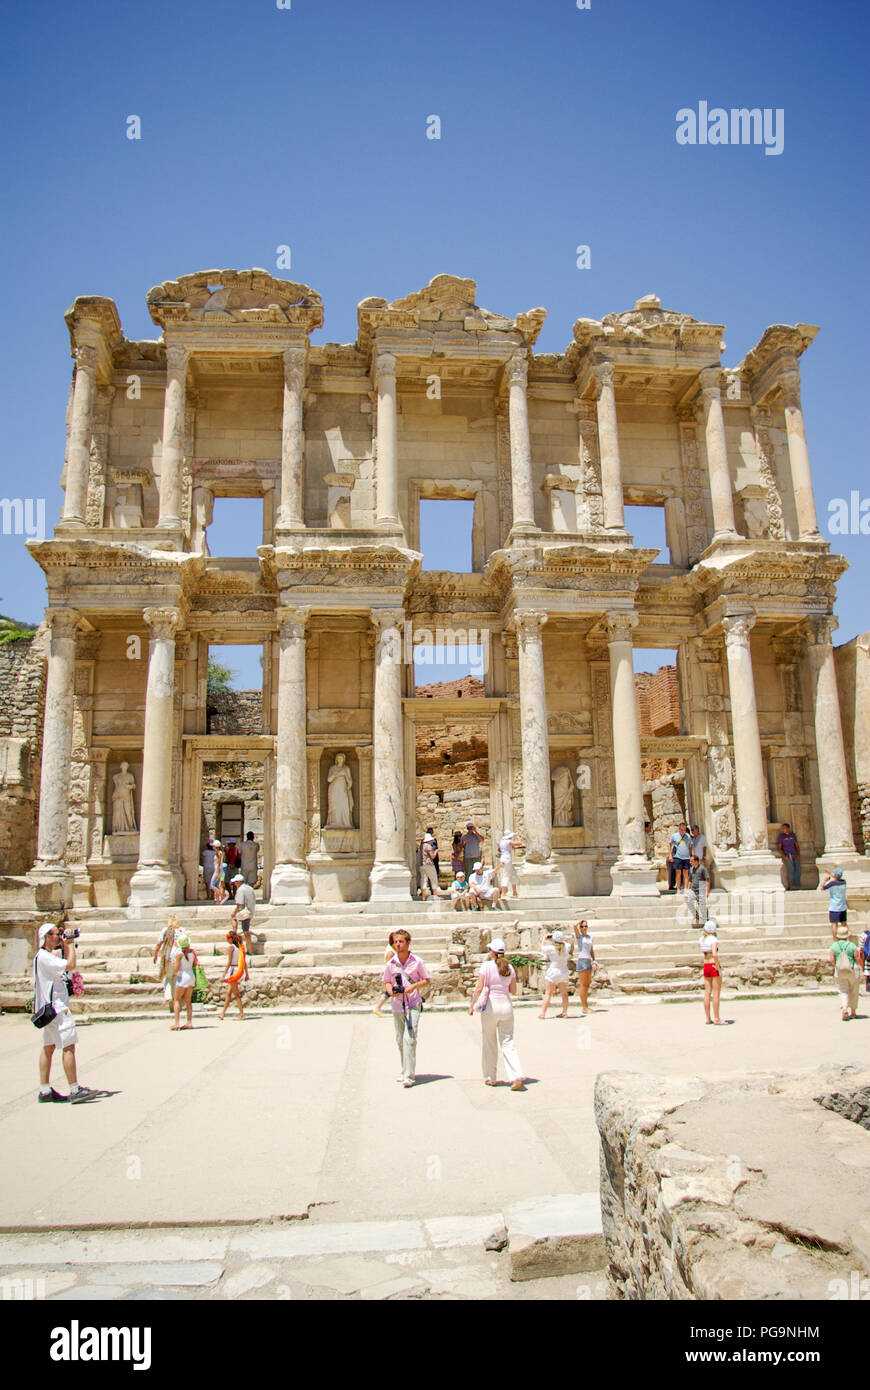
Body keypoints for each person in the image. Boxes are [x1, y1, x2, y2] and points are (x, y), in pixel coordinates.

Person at [33, 923, 95, 1104]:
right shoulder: (45, 957)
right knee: (68, 1046)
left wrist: (67, 946)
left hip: (49, 1008)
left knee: (49, 1046)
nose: (58, 936)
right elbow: (71, 964)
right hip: (58, 1008)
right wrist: (69, 943)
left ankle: (45, 1090)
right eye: (55, 933)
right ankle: (74, 1089)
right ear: (47, 937)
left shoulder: (44, 957)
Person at [469, 936, 525, 1090]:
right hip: (506, 1006)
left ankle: (490, 1077)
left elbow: (479, 988)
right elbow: (513, 991)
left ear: (491, 952)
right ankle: (516, 1075)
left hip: (491, 1006)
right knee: (508, 1042)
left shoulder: (486, 966)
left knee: (489, 1042)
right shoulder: (510, 968)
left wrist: (472, 1005)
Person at [382, 929, 429, 1087]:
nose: (398, 944)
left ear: (408, 943)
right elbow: (387, 981)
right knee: (400, 1039)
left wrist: (413, 986)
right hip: (397, 1005)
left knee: (409, 1038)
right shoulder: (391, 963)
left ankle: (409, 1075)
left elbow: (426, 979)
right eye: (396, 942)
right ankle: (405, 1070)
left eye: (401, 942)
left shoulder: (417, 961)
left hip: (413, 1003)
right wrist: (390, 992)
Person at [153, 914, 186, 1012]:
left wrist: (155, 955)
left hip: (168, 957)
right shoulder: (182, 930)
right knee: (176, 978)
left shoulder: (165, 930)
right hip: (179, 957)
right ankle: (177, 1000)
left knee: (168, 977)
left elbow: (159, 944)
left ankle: (169, 997)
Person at [830, 922, 862, 1021]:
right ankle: (853, 1011)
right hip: (852, 970)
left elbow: (832, 959)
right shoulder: (852, 945)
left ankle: (844, 1008)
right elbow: (857, 957)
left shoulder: (834, 946)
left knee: (843, 991)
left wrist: (837, 966)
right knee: (854, 990)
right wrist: (862, 967)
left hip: (840, 971)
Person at [539, 929, 570, 1019]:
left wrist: (544, 938)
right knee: (564, 994)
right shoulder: (566, 947)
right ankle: (565, 1012)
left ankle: (543, 1013)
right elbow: (566, 943)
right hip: (563, 971)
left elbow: (541, 947)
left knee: (548, 993)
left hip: (553, 971)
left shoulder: (551, 948)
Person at [218, 930, 248, 1021]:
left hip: (233, 970)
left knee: (236, 994)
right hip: (238, 969)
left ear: (230, 939)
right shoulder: (240, 947)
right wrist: (247, 973)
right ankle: (222, 1013)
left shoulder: (231, 948)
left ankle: (242, 1014)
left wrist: (223, 975)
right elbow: (244, 961)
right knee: (228, 993)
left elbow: (229, 962)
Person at [170, 935, 197, 1031]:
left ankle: (176, 1023)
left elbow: (176, 969)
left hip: (182, 977)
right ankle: (189, 1022)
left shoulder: (179, 955)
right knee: (188, 1000)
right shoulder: (192, 953)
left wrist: (174, 965)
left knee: (176, 1000)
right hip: (191, 976)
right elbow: (194, 964)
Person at [699, 919, 723, 1025]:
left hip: (706, 964)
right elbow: (715, 953)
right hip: (713, 964)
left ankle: (708, 1018)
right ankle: (717, 1018)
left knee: (707, 993)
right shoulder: (713, 939)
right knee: (716, 993)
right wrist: (718, 966)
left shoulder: (702, 939)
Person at [571, 919, 596, 1015]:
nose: (584, 928)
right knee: (583, 985)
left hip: (588, 960)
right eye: (582, 926)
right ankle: (584, 1007)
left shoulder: (590, 937)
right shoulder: (579, 937)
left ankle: (586, 1006)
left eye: (585, 926)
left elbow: (591, 950)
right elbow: (574, 926)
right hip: (582, 960)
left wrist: (594, 961)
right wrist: (581, 921)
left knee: (587, 985)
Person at [230, 873, 256, 959]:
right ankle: (250, 950)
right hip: (250, 911)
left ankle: (234, 940)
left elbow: (239, 904)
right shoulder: (250, 888)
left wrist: (234, 913)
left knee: (236, 921)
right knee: (246, 930)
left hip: (244, 912)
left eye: (235, 882)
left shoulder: (240, 890)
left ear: (238, 882)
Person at [326, 753, 354, 828]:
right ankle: (334, 822)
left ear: (343, 759)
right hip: (334, 790)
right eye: (338, 758)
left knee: (344, 805)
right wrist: (336, 774)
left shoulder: (346, 768)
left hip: (343, 790)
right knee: (335, 805)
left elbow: (350, 782)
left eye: (341, 758)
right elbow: (329, 779)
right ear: (336, 759)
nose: (340, 759)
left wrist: (345, 775)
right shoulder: (332, 768)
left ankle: (346, 823)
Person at [373, 933, 398, 1016]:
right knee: (391, 992)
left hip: (394, 974)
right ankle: (377, 1008)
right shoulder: (390, 952)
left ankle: (378, 1008)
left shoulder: (392, 949)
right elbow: (389, 965)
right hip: (393, 975)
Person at [498, 828, 523, 898]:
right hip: (507, 859)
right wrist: (518, 838)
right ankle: (503, 893)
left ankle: (514, 892)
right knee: (505, 875)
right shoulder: (508, 841)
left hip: (504, 858)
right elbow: (519, 843)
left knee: (513, 874)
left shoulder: (501, 841)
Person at [667, 822, 693, 892]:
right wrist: (670, 855)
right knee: (678, 873)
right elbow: (669, 844)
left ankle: (686, 888)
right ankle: (678, 888)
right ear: (679, 829)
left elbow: (690, 846)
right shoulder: (674, 836)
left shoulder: (688, 836)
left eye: (684, 830)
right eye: (682, 830)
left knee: (686, 873)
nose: (683, 831)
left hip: (686, 856)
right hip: (677, 856)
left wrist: (692, 856)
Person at [686, 853, 709, 927]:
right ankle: (696, 916)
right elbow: (690, 880)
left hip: (701, 889)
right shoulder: (691, 869)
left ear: (696, 861)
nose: (690, 863)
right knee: (689, 902)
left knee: (702, 905)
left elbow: (708, 880)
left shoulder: (702, 869)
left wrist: (707, 891)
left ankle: (706, 919)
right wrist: (688, 889)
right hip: (693, 889)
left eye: (691, 861)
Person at [776, 822, 801, 889]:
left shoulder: (792, 835)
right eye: (782, 828)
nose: (783, 829)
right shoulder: (781, 837)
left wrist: (798, 854)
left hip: (794, 853)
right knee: (791, 870)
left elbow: (796, 845)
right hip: (787, 854)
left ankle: (797, 884)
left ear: (788, 828)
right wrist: (784, 856)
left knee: (798, 869)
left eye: (784, 828)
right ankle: (792, 885)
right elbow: (779, 848)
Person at [419, 833, 439, 900]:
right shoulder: (428, 846)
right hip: (429, 864)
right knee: (433, 879)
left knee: (423, 880)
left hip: (422, 864)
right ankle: (435, 895)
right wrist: (436, 851)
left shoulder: (422, 846)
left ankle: (423, 897)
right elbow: (432, 856)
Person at [210, 840, 225, 904]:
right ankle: (218, 901)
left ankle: (222, 896)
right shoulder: (220, 852)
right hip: (219, 870)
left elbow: (219, 863)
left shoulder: (218, 853)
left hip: (217, 870)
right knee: (216, 885)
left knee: (212, 885)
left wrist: (217, 872)